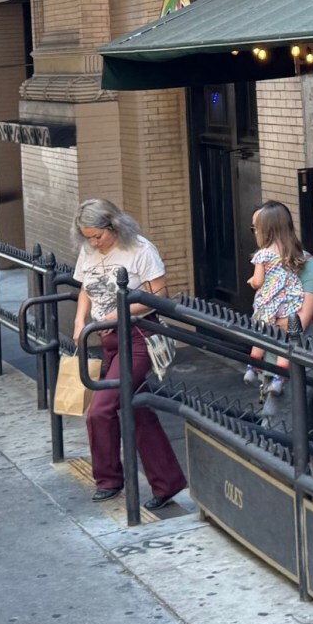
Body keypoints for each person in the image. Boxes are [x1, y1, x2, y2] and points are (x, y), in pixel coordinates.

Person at [72, 199, 187, 507]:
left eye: (98, 236)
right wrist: (80, 320)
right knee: (137, 407)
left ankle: (108, 480)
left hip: (137, 336)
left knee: (100, 410)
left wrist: (118, 312)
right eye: (87, 237)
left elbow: (158, 293)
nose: (93, 243)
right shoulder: (88, 250)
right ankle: (167, 483)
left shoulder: (140, 249)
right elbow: (85, 289)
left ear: (114, 226)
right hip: (106, 337)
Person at [244, 201, 313, 421]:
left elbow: (298, 323)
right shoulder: (267, 263)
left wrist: (269, 318)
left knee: (275, 425)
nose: (256, 233)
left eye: (257, 228)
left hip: (297, 362)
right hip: (271, 362)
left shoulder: (309, 265)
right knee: (284, 428)